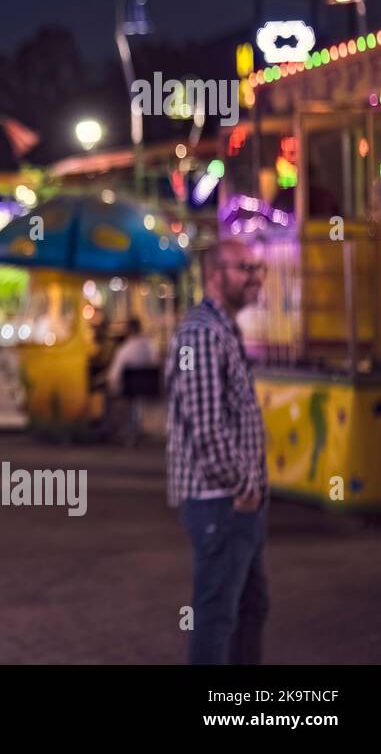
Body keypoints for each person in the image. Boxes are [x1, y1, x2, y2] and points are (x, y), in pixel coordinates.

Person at [164, 240, 268, 665]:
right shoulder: (203, 334)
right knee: (217, 616)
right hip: (221, 502)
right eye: (244, 268)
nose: (255, 276)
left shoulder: (220, 329)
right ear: (215, 275)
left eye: (257, 267)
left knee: (249, 607)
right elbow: (207, 427)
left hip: (233, 502)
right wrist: (243, 484)